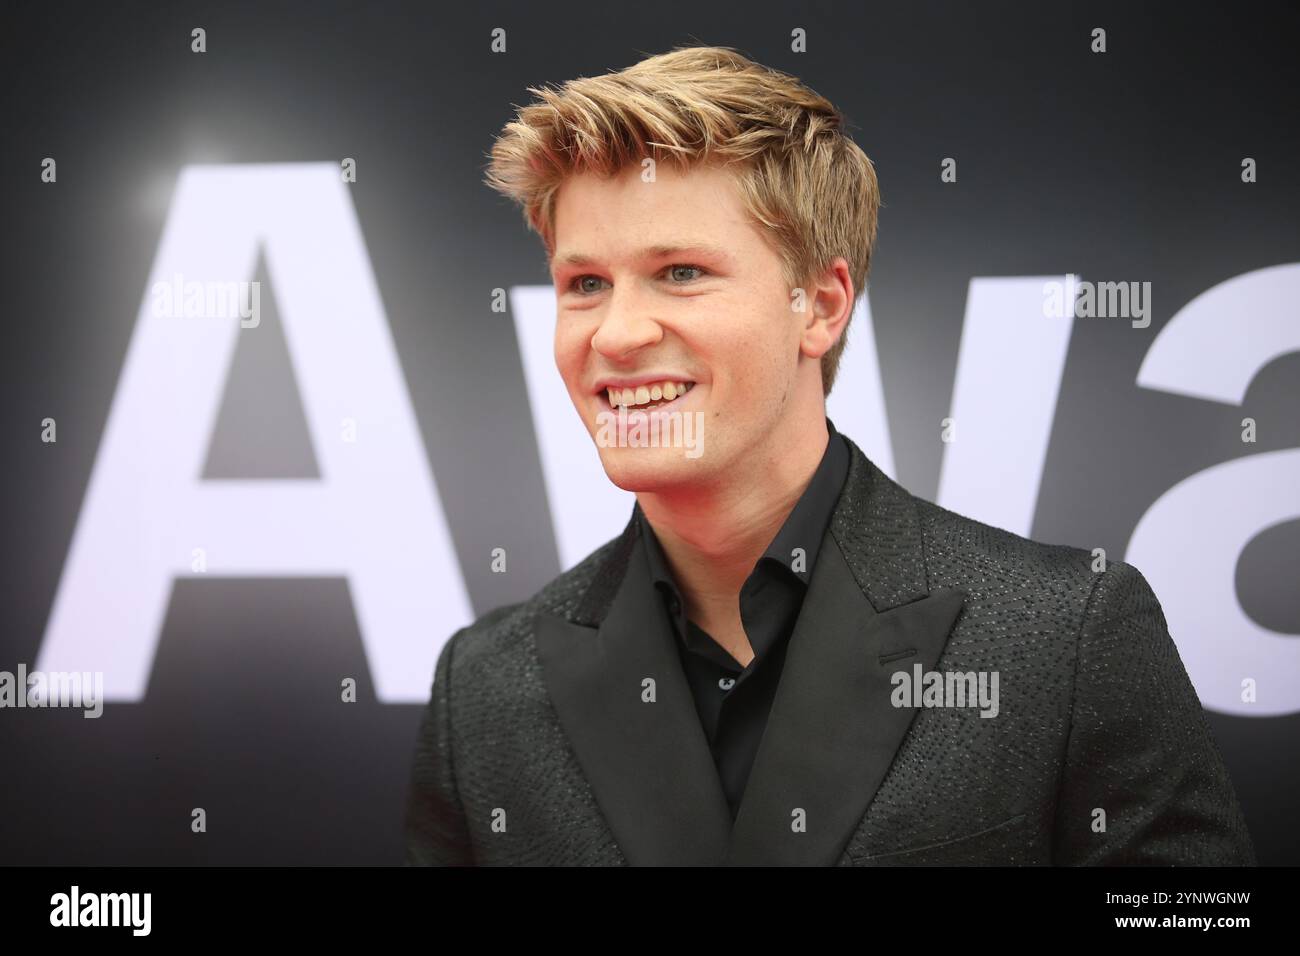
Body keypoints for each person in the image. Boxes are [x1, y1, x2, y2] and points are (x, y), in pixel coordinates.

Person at [404, 46, 1255, 865]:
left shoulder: (1066, 635)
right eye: (585, 284)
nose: (618, 333)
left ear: (821, 306)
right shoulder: (482, 692)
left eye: (682, 272)